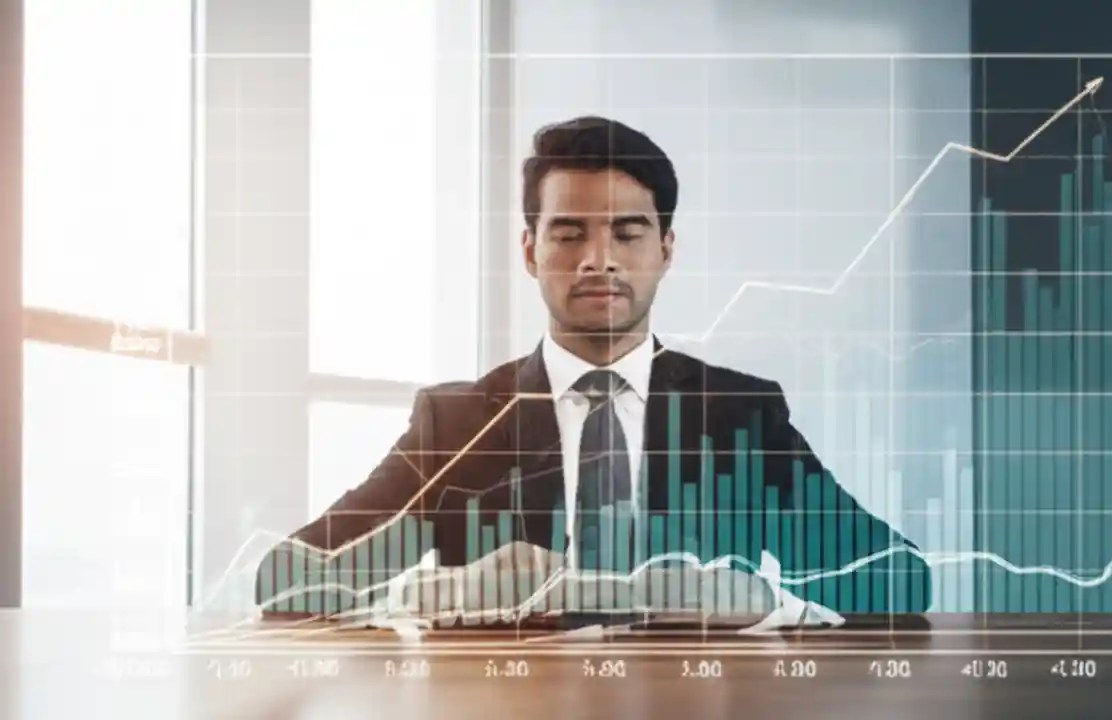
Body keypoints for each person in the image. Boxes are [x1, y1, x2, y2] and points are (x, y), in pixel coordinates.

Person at [257, 116, 931, 616]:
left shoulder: (737, 412)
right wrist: (457, 587)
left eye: (627, 233)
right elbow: (284, 579)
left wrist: (749, 596)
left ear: (666, 249)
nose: (597, 259)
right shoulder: (457, 421)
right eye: (569, 232)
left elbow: (900, 578)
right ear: (529, 250)